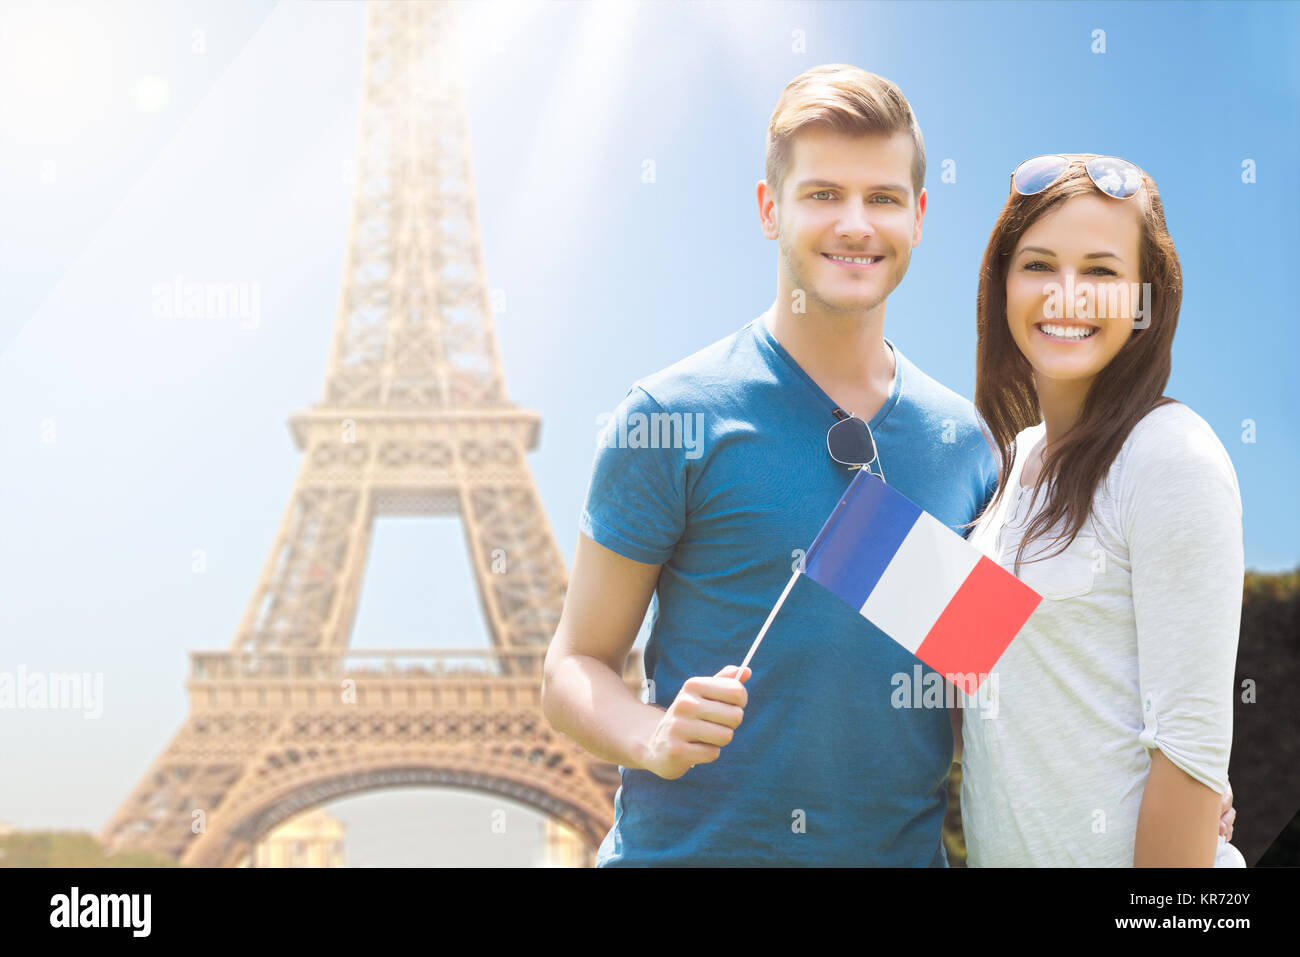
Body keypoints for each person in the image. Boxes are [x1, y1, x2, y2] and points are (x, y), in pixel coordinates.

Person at [541, 64, 1234, 866]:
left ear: (919, 216)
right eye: (823, 194)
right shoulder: (667, 418)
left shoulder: (970, 448)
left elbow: (1000, 676)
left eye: (882, 198)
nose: (855, 224)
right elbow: (574, 664)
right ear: (770, 209)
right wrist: (651, 733)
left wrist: (1185, 780)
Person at [955, 153, 1245, 866]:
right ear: (1001, 285)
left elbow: (1189, 754)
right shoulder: (1013, 465)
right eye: (1039, 265)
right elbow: (979, 660)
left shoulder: (1170, 455)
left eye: (1101, 272)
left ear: (1148, 299)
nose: (1067, 295)